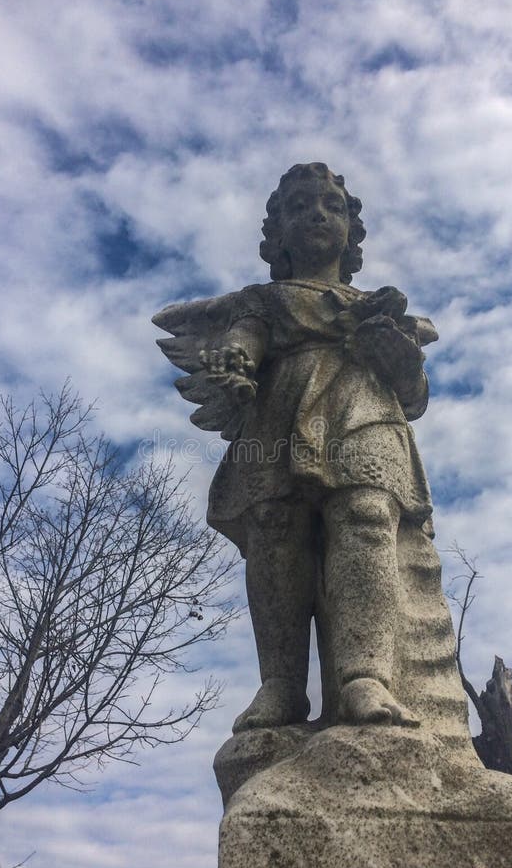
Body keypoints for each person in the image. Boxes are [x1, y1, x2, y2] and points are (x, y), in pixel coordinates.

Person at [153, 163, 438, 732]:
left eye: (332, 205)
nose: (317, 214)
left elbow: (412, 395)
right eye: (301, 205)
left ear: (351, 232)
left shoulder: (382, 311)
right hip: (280, 416)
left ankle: (366, 676)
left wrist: (398, 358)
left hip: (364, 412)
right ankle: (281, 684)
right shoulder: (265, 300)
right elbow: (244, 339)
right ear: (277, 231)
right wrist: (235, 362)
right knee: (276, 530)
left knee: (365, 517)